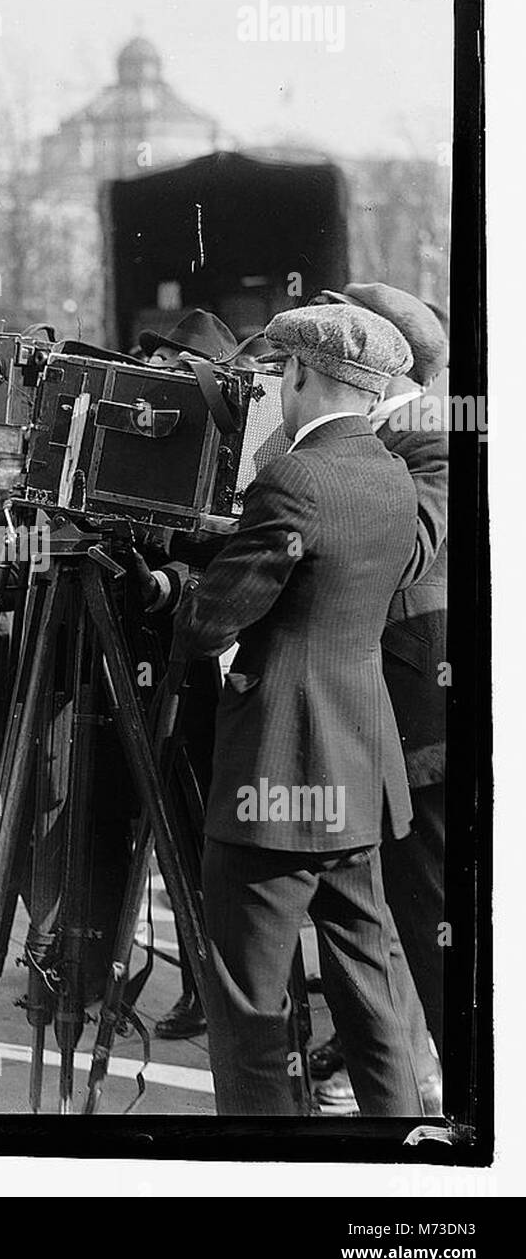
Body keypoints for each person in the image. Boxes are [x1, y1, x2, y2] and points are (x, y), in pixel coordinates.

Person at [141, 302, 429, 1116]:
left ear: (300, 375)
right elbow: (316, 576)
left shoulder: (294, 477)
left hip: (277, 784)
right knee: (369, 997)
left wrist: (174, 585)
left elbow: (208, 625)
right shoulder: (388, 472)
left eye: (275, 374)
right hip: (357, 777)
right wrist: (233, 539)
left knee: (249, 1009)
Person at [307, 282, 450, 1107]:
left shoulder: (427, 436)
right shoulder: (389, 437)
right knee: (383, 898)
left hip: (420, 708)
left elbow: (402, 553)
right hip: (380, 702)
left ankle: (454, 1089)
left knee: (424, 900)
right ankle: (398, 1057)